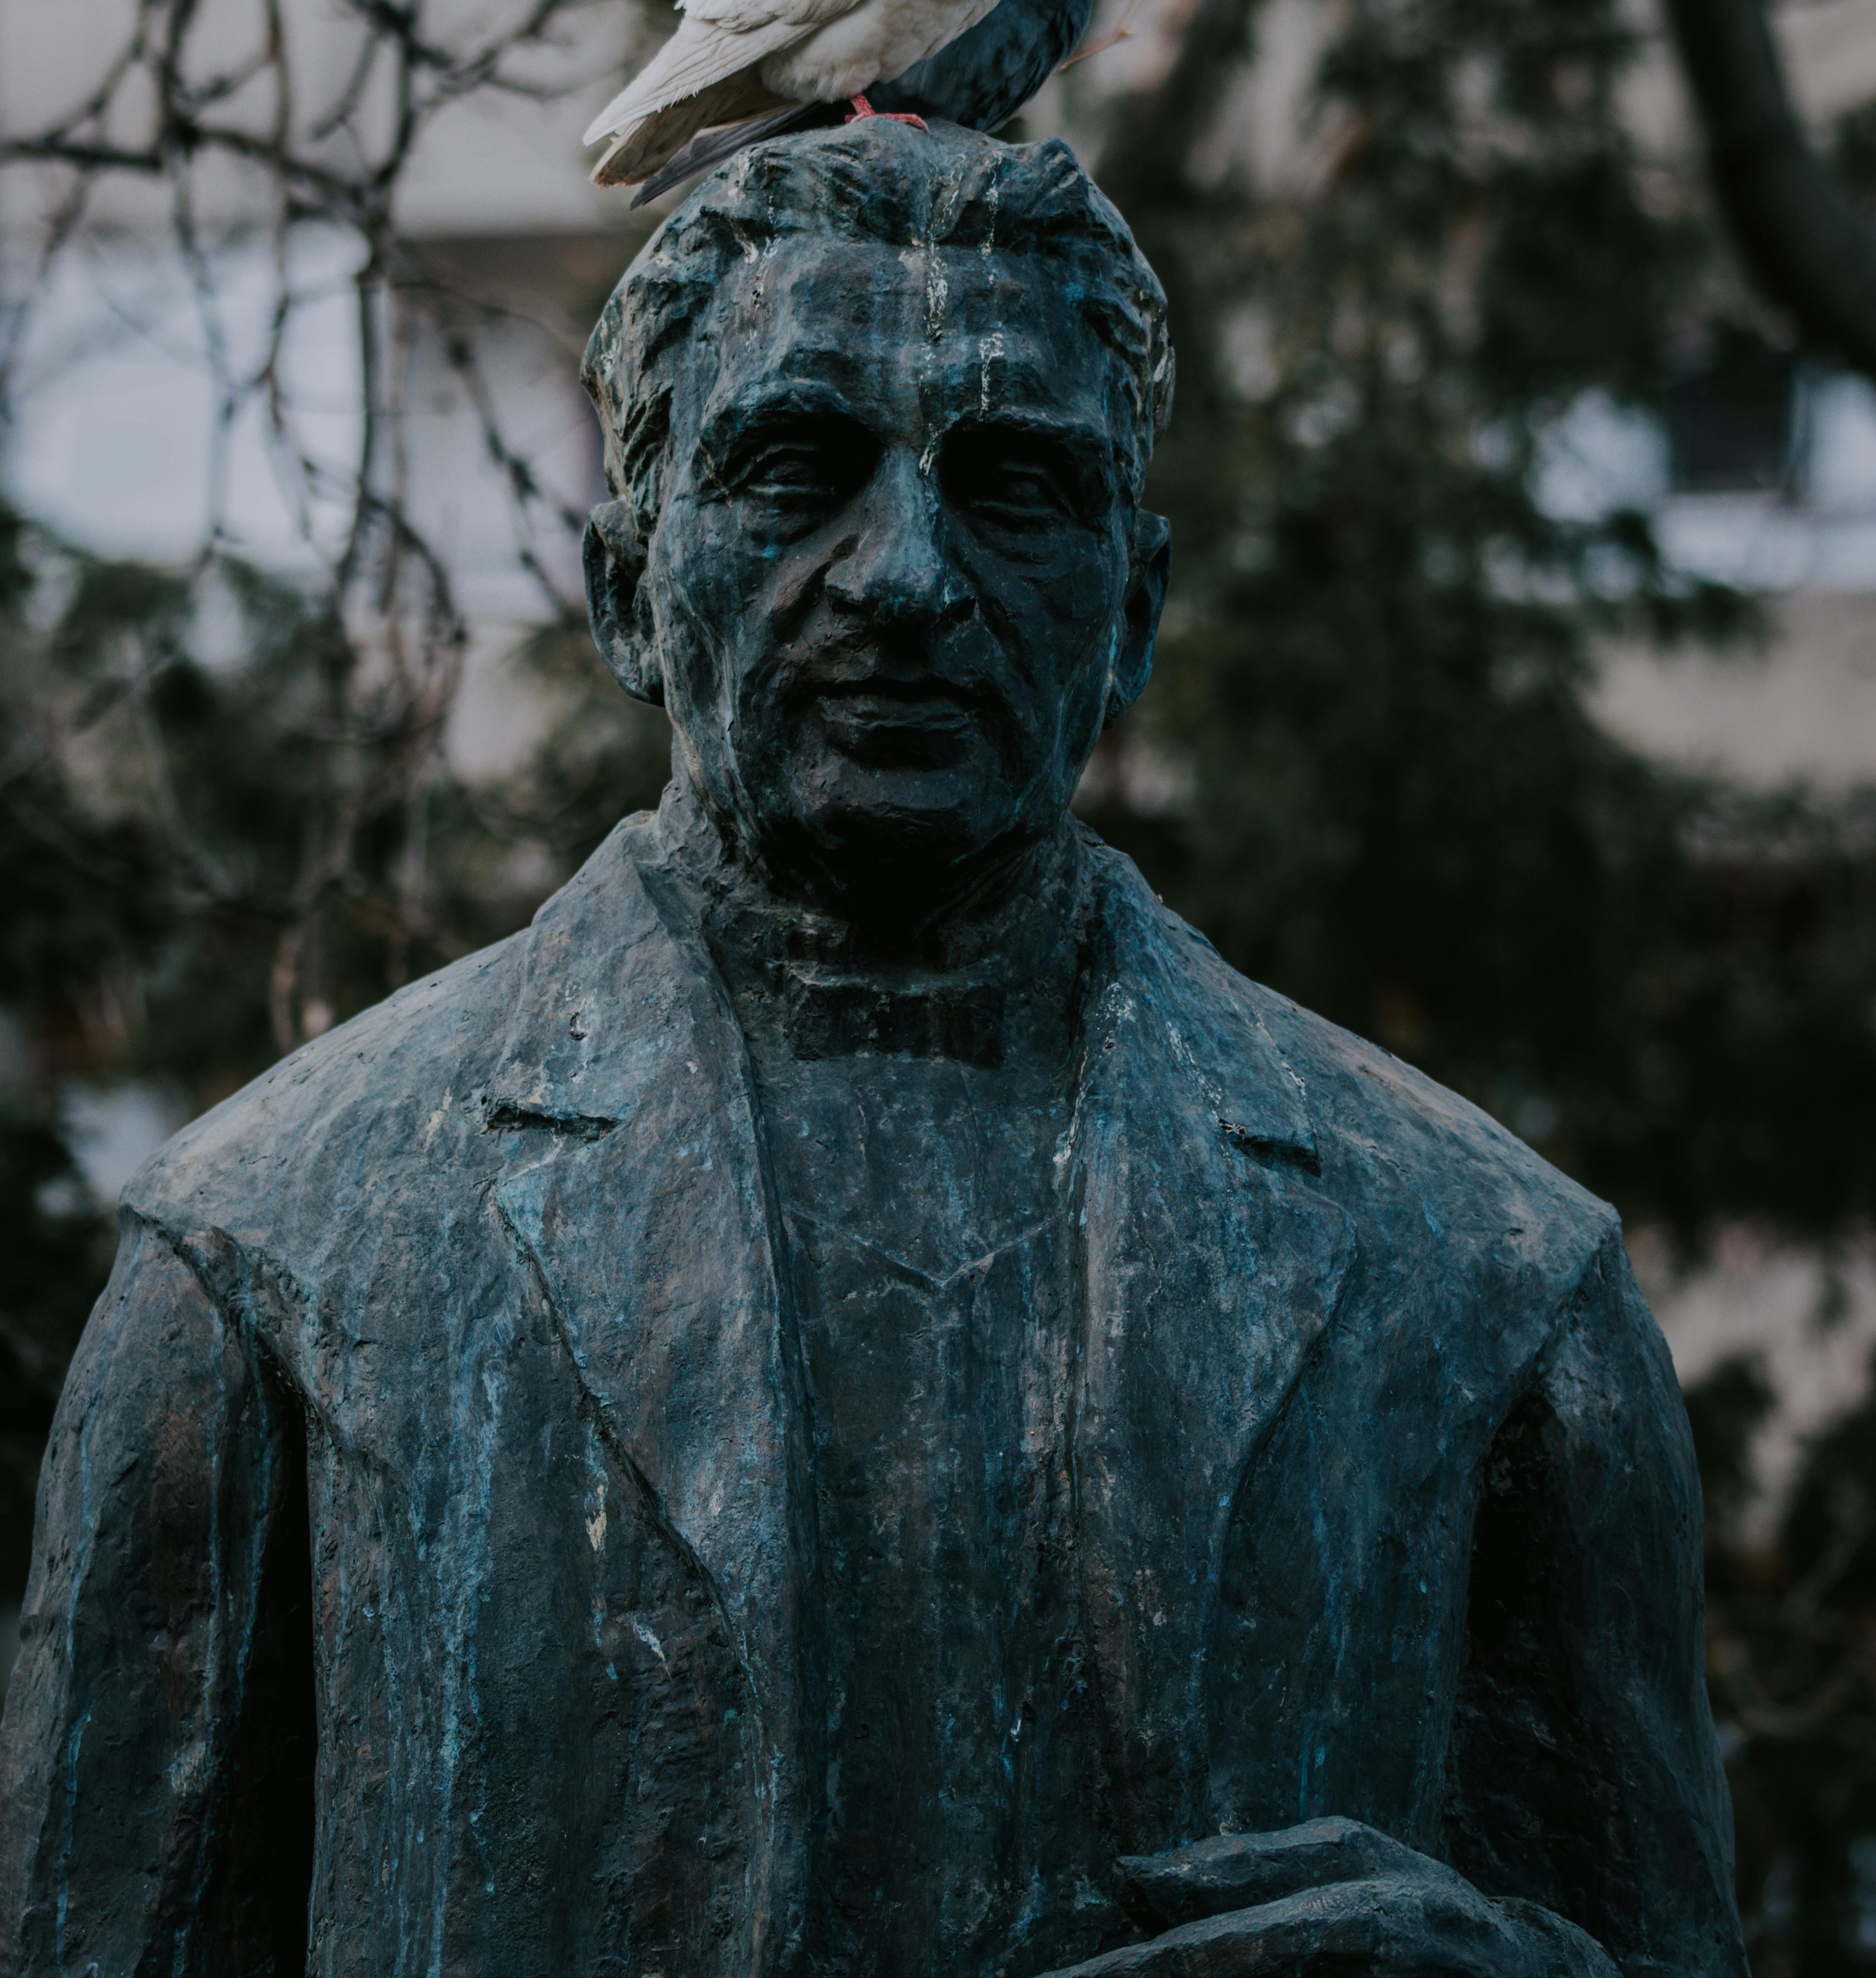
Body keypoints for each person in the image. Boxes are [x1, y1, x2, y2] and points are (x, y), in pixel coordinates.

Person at [0, 124, 1745, 1978]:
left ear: (1134, 606)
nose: (905, 574)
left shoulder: (1486, 1279)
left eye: (1013, 487)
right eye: (792, 469)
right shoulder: (275, 1245)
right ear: (622, 595)